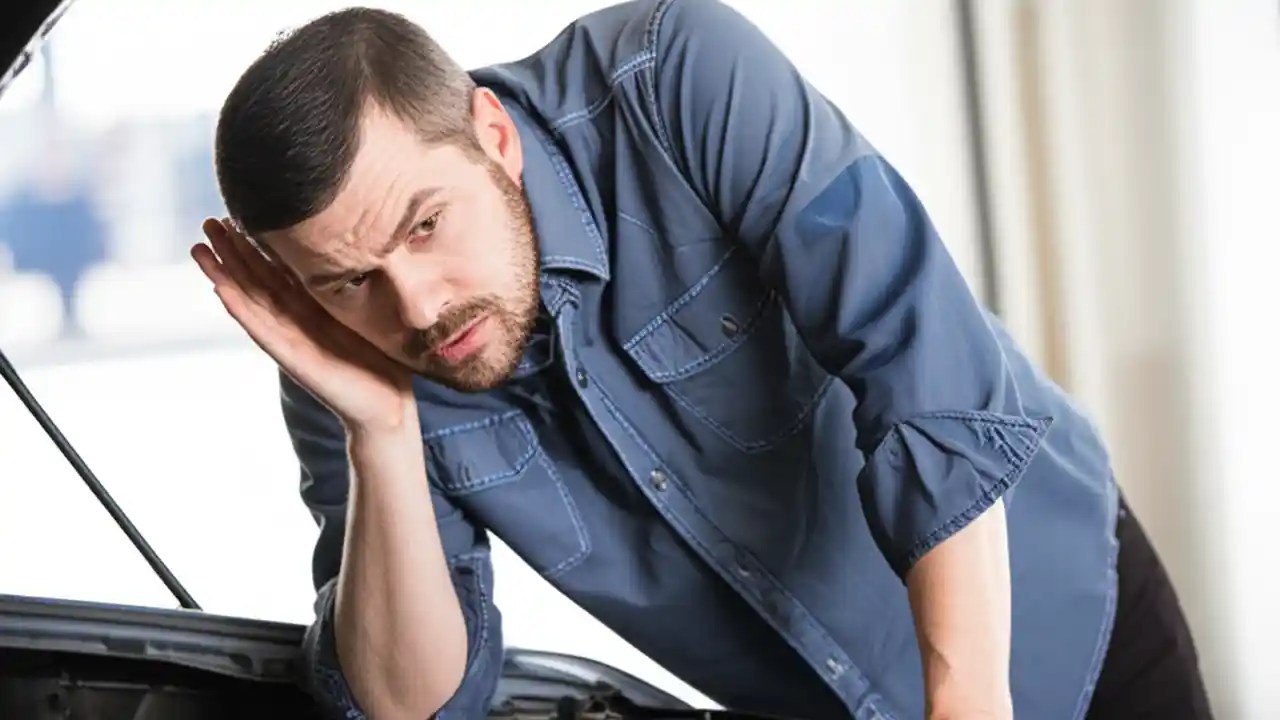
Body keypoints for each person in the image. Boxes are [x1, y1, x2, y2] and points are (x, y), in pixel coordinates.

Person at [194, 2, 1212, 718]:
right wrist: (381, 435)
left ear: (489, 135)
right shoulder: (342, 359)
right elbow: (413, 703)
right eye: (345, 281)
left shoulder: (677, 78)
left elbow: (928, 383)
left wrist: (966, 704)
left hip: (1055, 619)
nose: (414, 309)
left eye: (424, 226)